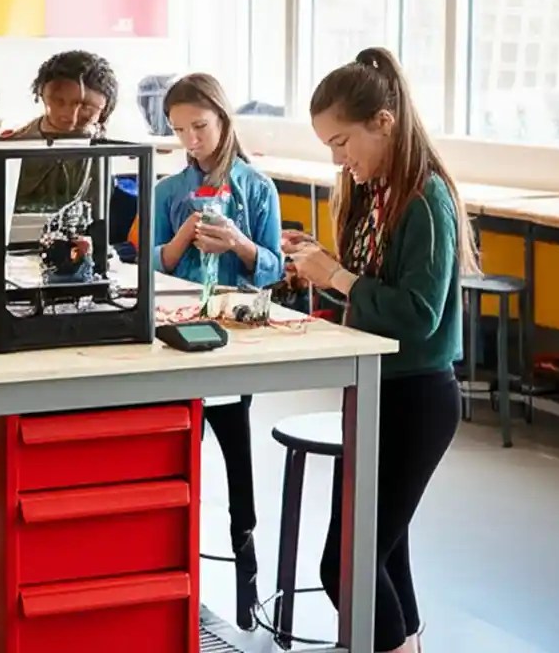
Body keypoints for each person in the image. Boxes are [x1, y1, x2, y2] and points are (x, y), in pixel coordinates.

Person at [287, 47, 478, 653]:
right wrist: (321, 268)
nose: (339, 160)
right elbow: (376, 286)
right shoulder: (376, 196)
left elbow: (419, 316)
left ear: (384, 124)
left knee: (345, 566)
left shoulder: (424, 200)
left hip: (416, 397)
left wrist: (338, 279)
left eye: (343, 143)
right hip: (377, 389)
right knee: (383, 555)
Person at [150, 73, 284, 630]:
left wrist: (238, 243)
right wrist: (181, 239)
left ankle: (247, 581)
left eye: (200, 126)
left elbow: (276, 266)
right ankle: (166, 575)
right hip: (177, 339)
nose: (192, 140)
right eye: (180, 130)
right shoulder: (167, 191)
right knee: (172, 457)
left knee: (237, 457)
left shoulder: (257, 189)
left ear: (224, 119)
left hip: (234, 344)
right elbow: (145, 262)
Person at [1, 50, 119, 212]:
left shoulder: (101, 150)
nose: (70, 115)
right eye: (59, 101)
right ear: (42, 94)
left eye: (85, 106)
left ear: (104, 110)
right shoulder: (12, 147)